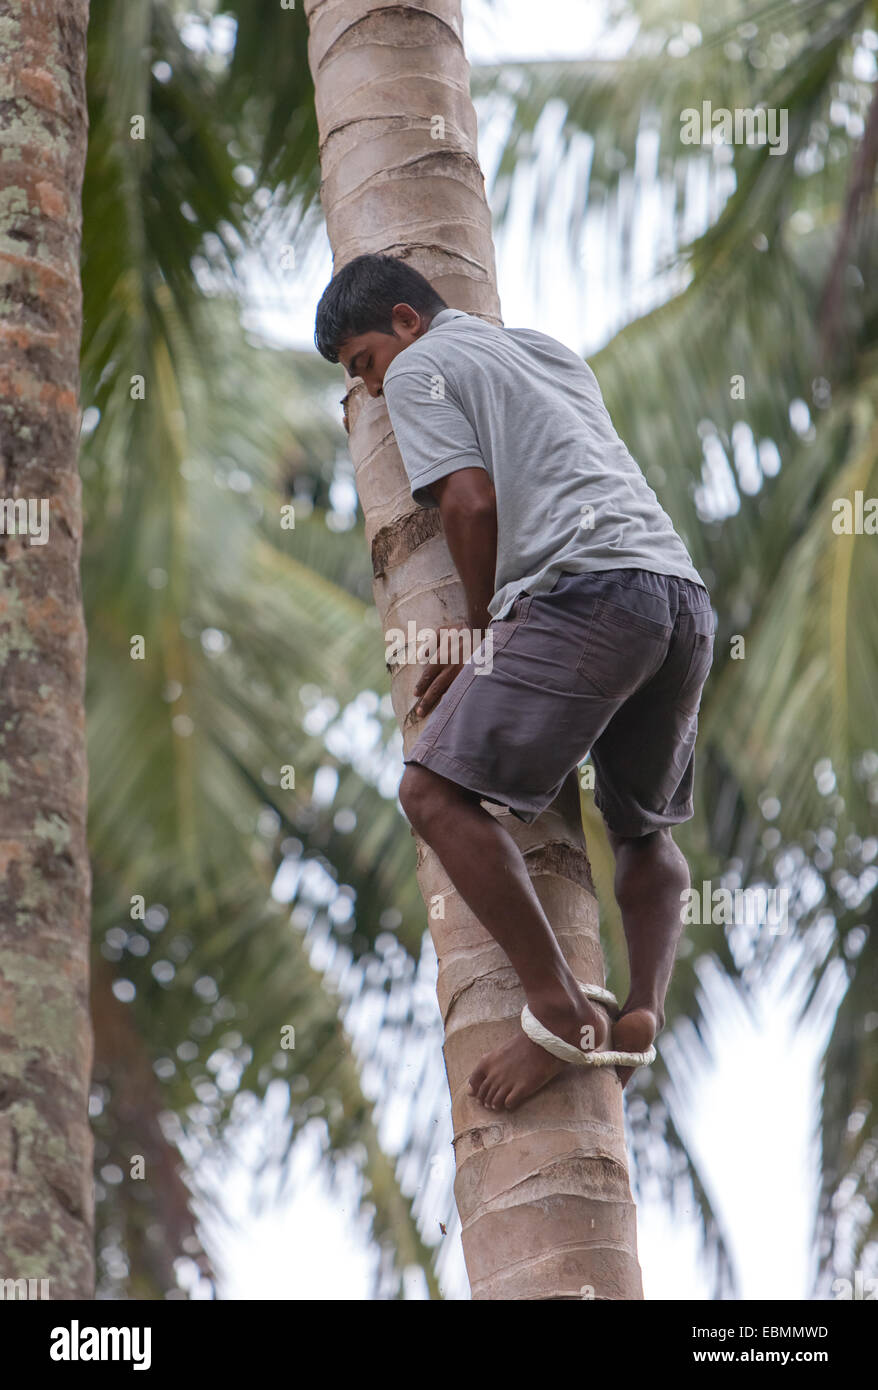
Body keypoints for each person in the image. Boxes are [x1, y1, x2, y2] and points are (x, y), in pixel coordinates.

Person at [314, 253, 716, 1111]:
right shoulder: (545, 350)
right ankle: (641, 1005)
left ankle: (560, 1010)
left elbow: (468, 500)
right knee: (643, 829)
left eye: (364, 364)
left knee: (430, 794)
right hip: (678, 601)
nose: (373, 392)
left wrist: (477, 625)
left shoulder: (423, 364)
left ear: (406, 321)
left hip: (589, 597)